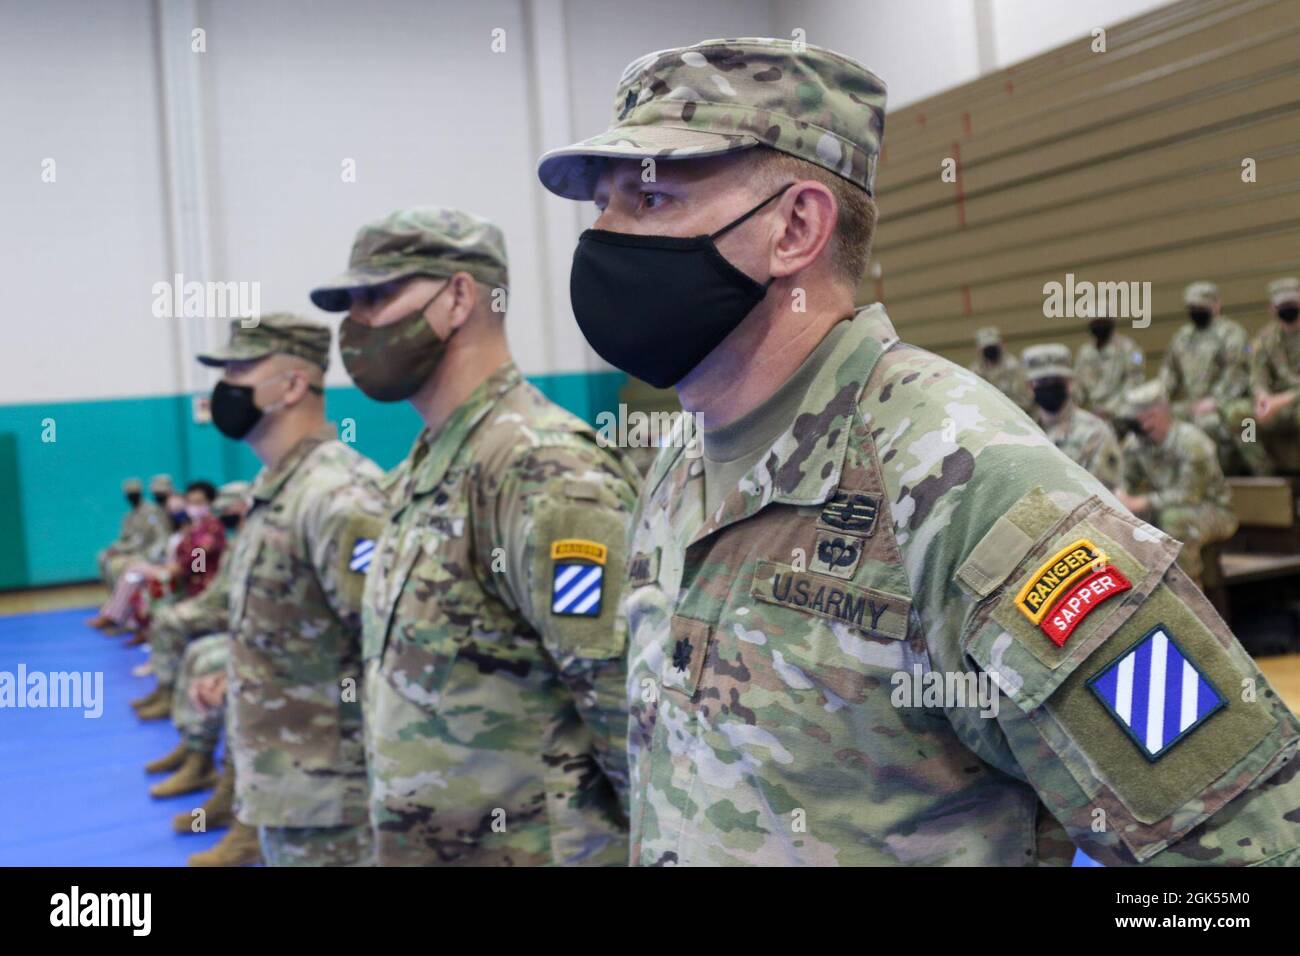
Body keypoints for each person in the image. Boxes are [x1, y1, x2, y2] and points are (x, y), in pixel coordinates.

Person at [537, 35, 1300, 866]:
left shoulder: (973, 485)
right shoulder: (678, 471)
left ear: (796, 227)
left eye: (647, 202)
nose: (603, 237)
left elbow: (1244, 849)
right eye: (602, 205)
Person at [309, 207, 638, 865]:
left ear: (458, 296)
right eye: (350, 303)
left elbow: (625, 709)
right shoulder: (425, 467)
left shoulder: (541, 468)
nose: (356, 325)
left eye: (377, 296)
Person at [198, 313, 388, 867]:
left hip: (336, 798)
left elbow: (385, 647)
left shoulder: (337, 497)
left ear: (293, 385)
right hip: (287, 789)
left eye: (242, 369)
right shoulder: (275, 487)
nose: (225, 387)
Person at [133, 481, 247, 721]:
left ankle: (168, 688)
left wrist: (168, 573)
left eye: (199, 502)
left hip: (200, 591)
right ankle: (165, 687)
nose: (193, 507)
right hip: (203, 593)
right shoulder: (194, 528)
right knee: (156, 602)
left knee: (166, 611)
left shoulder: (210, 530)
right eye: (191, 501)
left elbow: (196, 567)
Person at [1115, 380, 1239, 586]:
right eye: (1138, 419)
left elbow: (1189, 495)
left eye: (1148, 417)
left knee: (1173, 520)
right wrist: (1121, 497)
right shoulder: (1137, 444)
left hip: (1214, 510)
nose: (1143, 425)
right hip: (1168, 505)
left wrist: (1143, 503)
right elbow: (1126, 482)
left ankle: (1189, 595)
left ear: (1162, 414)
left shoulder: (1192, 442)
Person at [1159, 280, 1266, 475]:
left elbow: (1237, 374)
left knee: (1208, 423)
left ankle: (1217, 478)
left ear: (1216, 305)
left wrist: (1214, 400)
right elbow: (1169, 372)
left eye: (1201, 306)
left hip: (1226, 402)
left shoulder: (1231, 333)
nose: (1196, 311)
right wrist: (1160, 400)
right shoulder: (1182, 337)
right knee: (1158, 421)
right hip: (1193, 403)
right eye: (1192, 307)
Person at [1023, 344, 1121, 489]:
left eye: (1056, 381)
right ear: (1030, 386)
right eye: (1042, 382)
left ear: (1069, 383)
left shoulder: (1096, 432)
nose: (1049, 386)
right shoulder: (1024, 432)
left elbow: (1105, 494)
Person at [1243, 277, 1300, 475]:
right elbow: (1257, 377)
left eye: (1292, 303)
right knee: (1243, 421)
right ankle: (1267, 476)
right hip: (1277, 406)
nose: (1288, 308)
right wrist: (1262, 398)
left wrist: (1282, 400)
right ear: (1272, 309)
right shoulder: (1265, 339)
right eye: (1282, 304)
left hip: (1293, 402)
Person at [95, 476, 168, 591]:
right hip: (132, 550)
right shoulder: (129, 516)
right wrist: (115, 547)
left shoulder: (151, 511)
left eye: (134, 494)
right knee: (103, 556)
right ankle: (115, 596)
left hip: (145, 551)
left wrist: (121, 550)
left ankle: (125, 598)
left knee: (116, 566)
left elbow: (156, 537)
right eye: (129, 494)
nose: (132, 497)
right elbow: (125, 537)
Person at [1073, 311, 1143, 420]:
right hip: (1092, 414)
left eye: (1102, 321)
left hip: (1122, 412)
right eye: (1095, 322)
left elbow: (1135, 381)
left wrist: (1110, 409)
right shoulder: (1085, 353)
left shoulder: (1130, 348)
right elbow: (1078, 387)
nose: (1098, 326)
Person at [968, 326, 1033, 413]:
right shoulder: (974, 372)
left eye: (993, 346)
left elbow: (1026, 400)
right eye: (987, 348)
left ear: (1001, 345)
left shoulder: (1015, 368)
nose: (990, 350)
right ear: (979, 350)